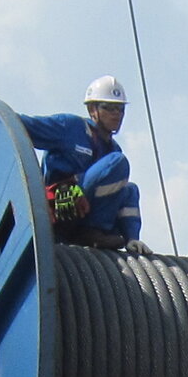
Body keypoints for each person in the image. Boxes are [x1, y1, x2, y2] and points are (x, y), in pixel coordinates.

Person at [22, 76, 143, 251]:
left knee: (130, 189)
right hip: (62, 206)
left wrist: (132, 237)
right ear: (92, 109)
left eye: (120, 109)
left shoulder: (113, 149)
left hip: (87, 215)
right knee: (118, 163)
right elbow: (25, 125)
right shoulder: (70, 127)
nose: (116, 113)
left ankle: (109, 235)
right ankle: (91, 232)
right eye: (109, 108)